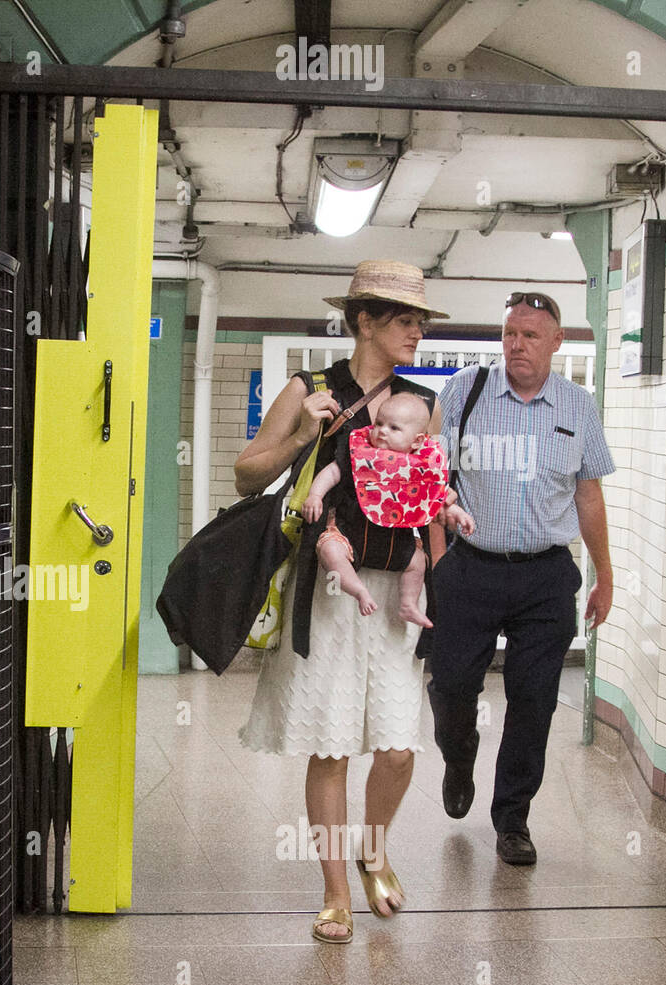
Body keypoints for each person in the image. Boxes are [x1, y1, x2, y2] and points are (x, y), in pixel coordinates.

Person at [235, 260, 447, 943]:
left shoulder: (422, 401)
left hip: (396, 589)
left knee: (398, 747)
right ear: (364, 322)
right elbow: (247, 473)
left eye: (419, 320)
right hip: (326, 585)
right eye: (406, 320)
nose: (417, 331)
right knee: (329, 747)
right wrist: (303, 434)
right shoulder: (311, 387)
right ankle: (334, 893)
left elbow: (433, 496)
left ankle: (374, 847)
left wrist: (445, 582)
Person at [427, 291, 615, 866]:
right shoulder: (465, 390)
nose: (517, 345)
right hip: (469, 566)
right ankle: (459, 757)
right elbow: (431, 478)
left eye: (531, 335)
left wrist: (604, 575)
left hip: (545, 576)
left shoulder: (578, 407)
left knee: (533, 701)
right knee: (451, 685)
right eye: (510, 333)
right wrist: (438, 562)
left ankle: (513, 818)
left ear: (557, 342)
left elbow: (588, 493)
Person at [303, 390, 475, 626]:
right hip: (349, 533)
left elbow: (436, 496)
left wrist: (457, 512)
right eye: (379, 423)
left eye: (394, 428)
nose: (382, 430)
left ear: (416, 441)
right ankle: (358, 590)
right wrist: (315, 495)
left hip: (395, 543)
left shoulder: (421, 466)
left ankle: (408, 605)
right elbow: (333, 471)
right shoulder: (359, 452)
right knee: (330, 551)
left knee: (418, 562)